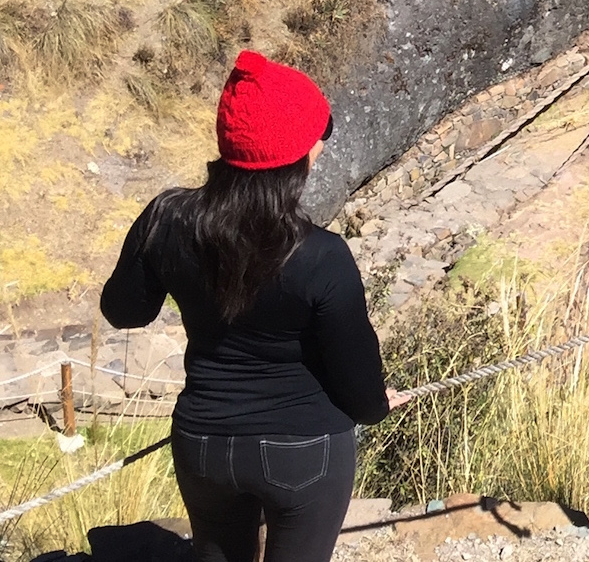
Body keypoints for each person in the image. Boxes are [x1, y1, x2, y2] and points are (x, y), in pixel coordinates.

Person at [103, 51, 405, 562]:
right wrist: (378, 402)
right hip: (305, 449)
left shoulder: (167, 218)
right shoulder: (322, 255)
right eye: (317, 139)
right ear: (293, 158)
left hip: (203, 442)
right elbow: (359, 389)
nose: (320, 150)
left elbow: (125, 311)